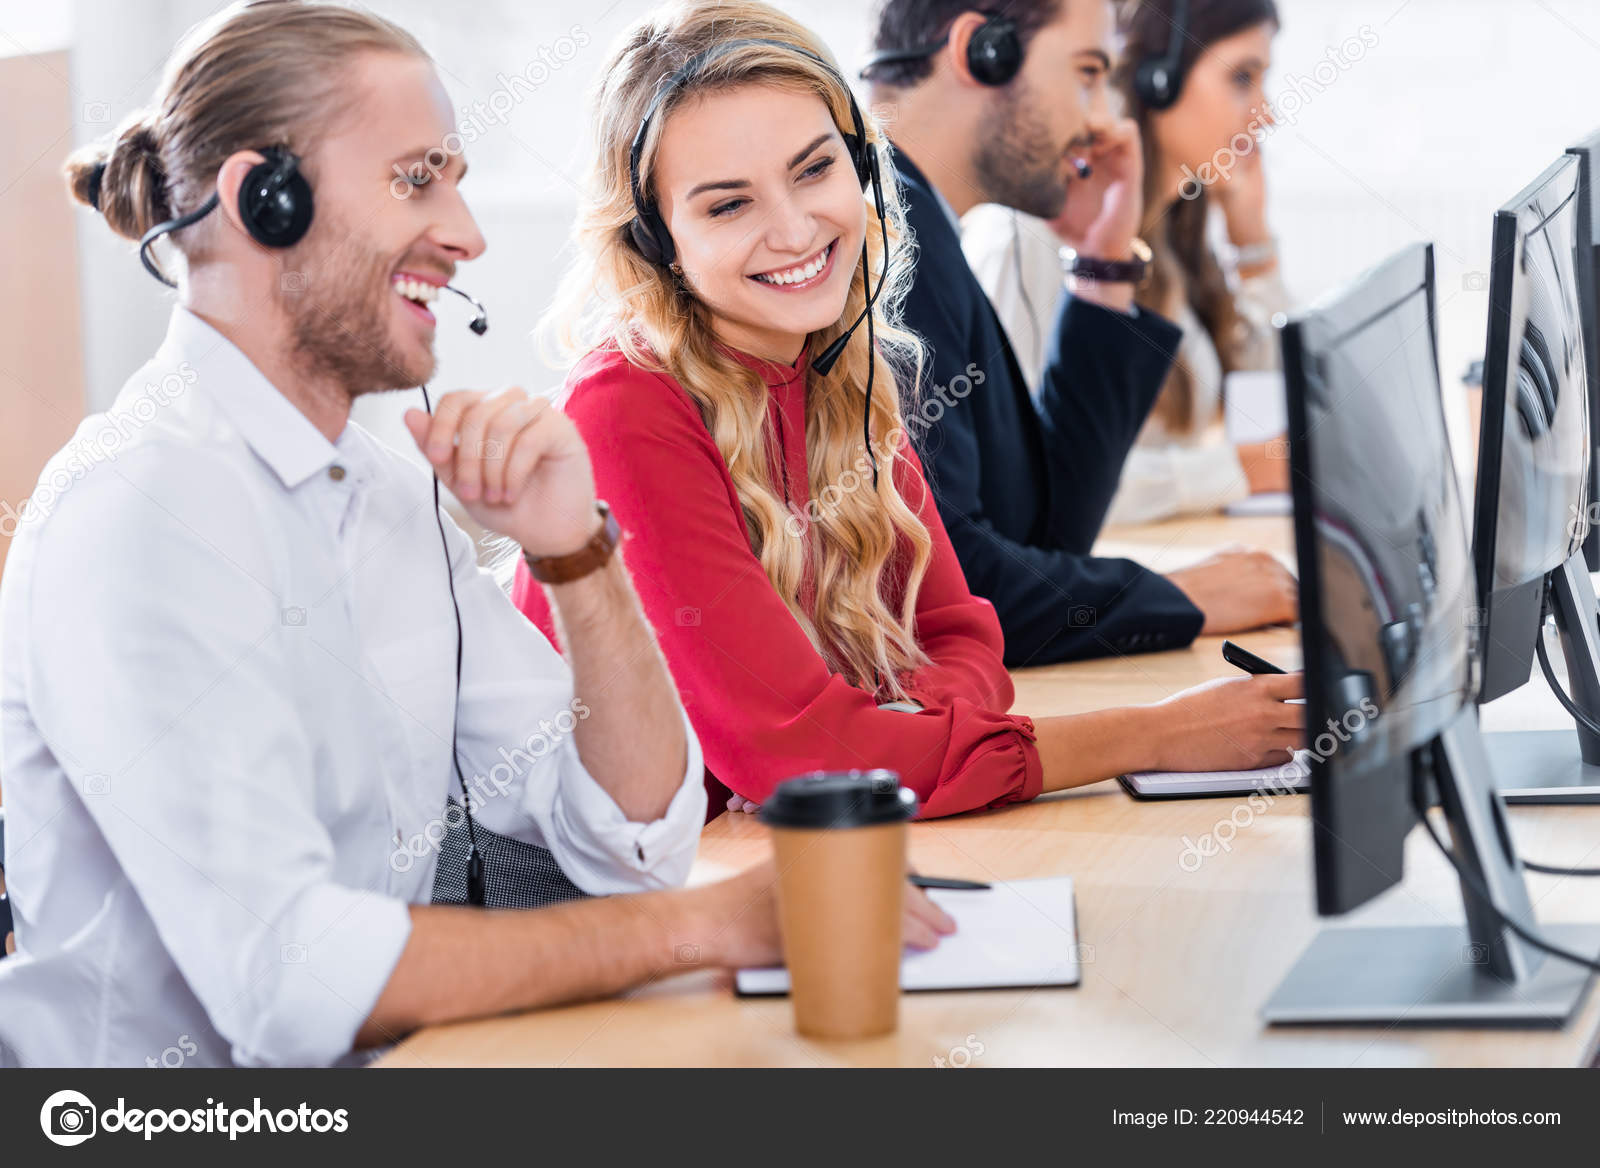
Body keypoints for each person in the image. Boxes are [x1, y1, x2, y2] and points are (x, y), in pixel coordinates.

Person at [0, 0, 952, 1069]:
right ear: (262, 201)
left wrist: (577, 554)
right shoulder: (140, 514)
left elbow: (630, 837)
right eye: (418, 179)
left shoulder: (385, 489)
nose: (467, 233)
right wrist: (711, 925)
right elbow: (290, 978)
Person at [512, 0, 1305, 820]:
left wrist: (911, 728)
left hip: (776, 855)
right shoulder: (626, 410)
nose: (794, 230)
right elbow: (806, 756)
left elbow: (963, 635)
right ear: (654, 240)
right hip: (616, 899)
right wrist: (1155, 735)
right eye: (727, 205)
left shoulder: (840, 367)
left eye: (815, 169)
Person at [864, 0, 1296, 667]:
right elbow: (950, 587)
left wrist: (1101, 266)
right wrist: (1179, 595)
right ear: (984, 52)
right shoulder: (888, 248)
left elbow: (1047, 534)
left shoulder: (925, 231)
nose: (1102, 119)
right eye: (1089, 73)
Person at [963, 0, 1289, 525]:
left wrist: (1252, 247)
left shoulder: (1171, 231)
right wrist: (1238, 471)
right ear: (1158, 80)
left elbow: (1268, 399)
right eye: (1242, 79)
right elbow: (1023, 487)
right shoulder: (1025, 239)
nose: (1267, 113)